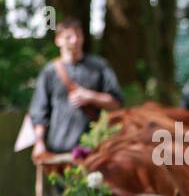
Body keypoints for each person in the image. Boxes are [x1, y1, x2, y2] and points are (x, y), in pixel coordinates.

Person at [27, 18, 123, 163]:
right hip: (58, 150)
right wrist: (39, 143)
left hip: (94, 148)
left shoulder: (99, 67)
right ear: (58, 40)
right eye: (68, 37)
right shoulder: (50, 72)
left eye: (78, 35)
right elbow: (39, 112)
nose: (74, 40)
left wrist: (90, 96)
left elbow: (117, 102)